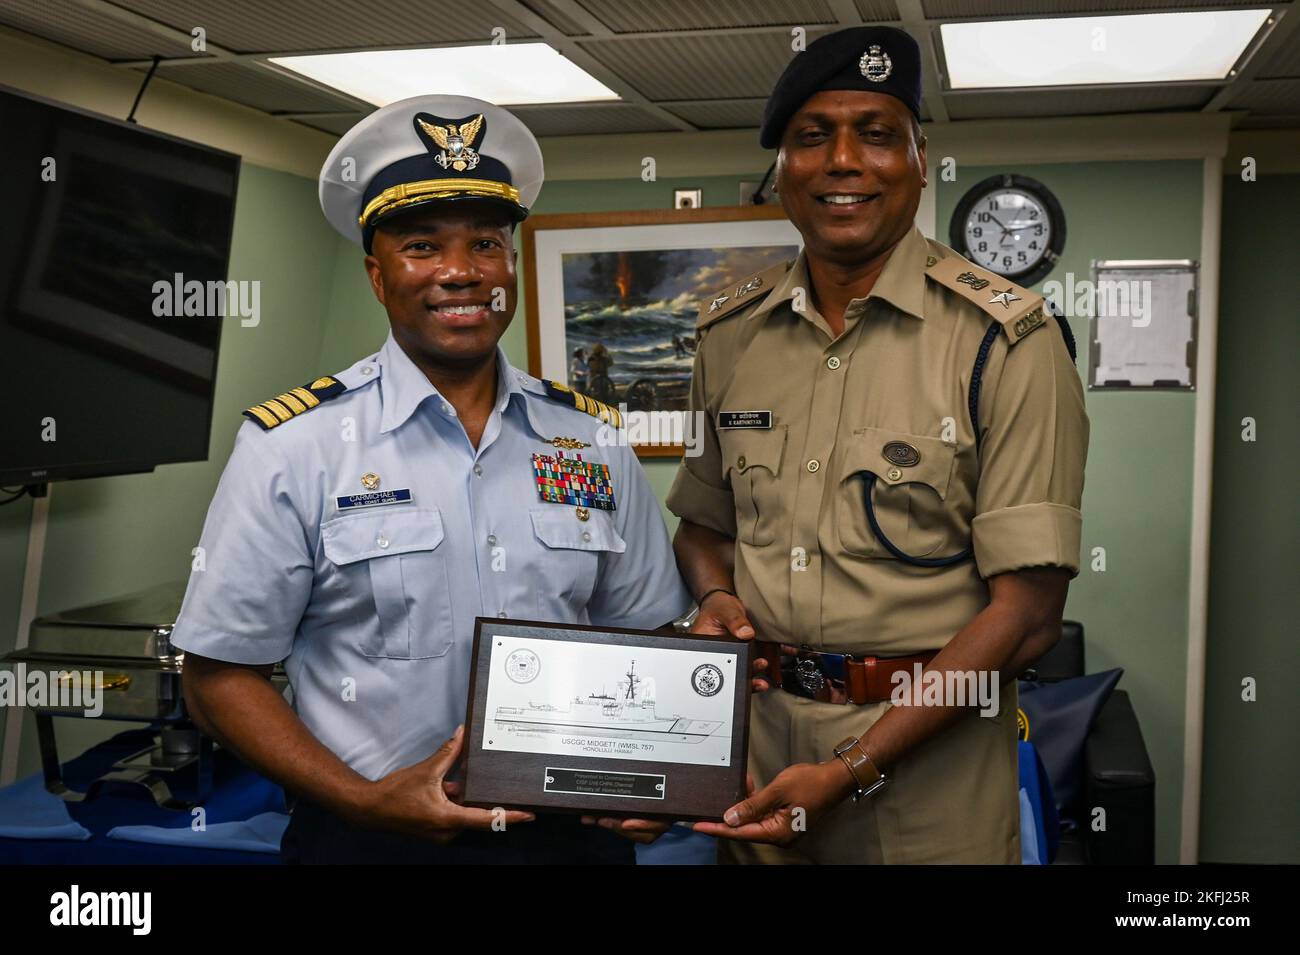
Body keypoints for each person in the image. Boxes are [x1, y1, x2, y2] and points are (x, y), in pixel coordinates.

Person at [172, 94, 692, 864]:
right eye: (422, 245)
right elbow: (218, 674)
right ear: (377, 276)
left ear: (509, 265)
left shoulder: (592, 439)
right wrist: (362, 799)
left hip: (566, 840)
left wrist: (654, 777)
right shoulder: (296, 445)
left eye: (486, 243)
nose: (461, 272)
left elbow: (647, 638)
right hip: (364, 836)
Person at [667, 26, 1089, 864]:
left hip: (931, 780)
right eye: (812, 136)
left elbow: (1030, 617)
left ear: (921, 159)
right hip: (758, 760)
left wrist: (852, 766)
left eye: (877, 132)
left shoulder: (1008, 340)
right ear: (781, 170)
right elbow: (703, 525)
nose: (843, 160)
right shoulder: (726, 337)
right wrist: (715, 599)